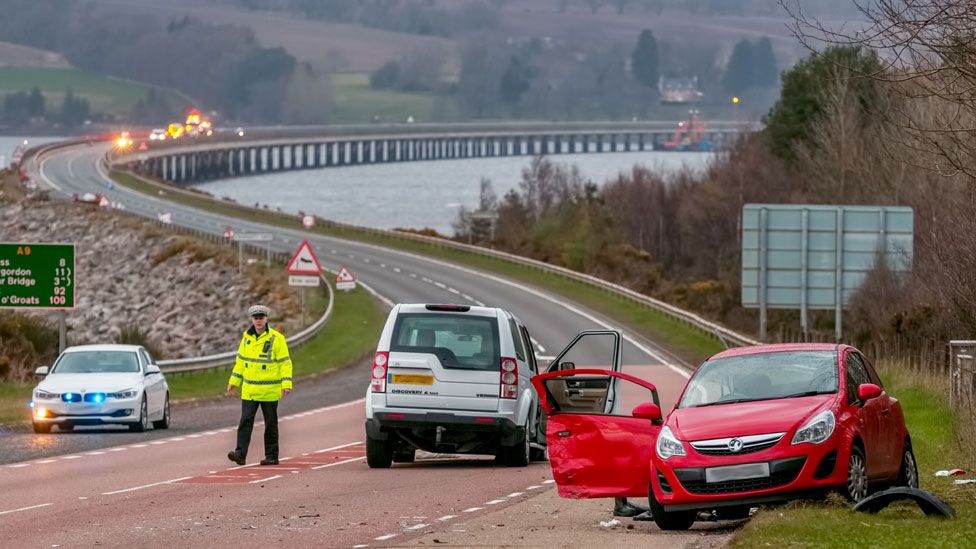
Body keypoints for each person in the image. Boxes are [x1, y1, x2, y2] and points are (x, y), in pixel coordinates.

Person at [227, 304, 293, 466]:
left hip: (269, 390)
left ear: (266, 319)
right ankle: (240, 454)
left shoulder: (276, 338)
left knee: (270, 423)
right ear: (252, 319)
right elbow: (240, 362)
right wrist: (233, 382)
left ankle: (272, 456)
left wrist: (286, 383)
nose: (258, 321)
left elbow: (285, 363)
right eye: (255, 318)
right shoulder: (246, 338)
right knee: (245, 421)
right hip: (249, 390)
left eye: (261, 318)